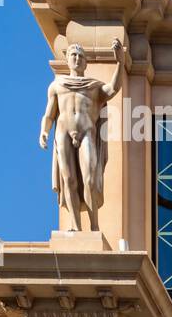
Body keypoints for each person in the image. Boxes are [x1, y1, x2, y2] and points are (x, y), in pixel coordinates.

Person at [38, 40, 125, 231]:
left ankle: (94, 226)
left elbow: (112, 89)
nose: (77, 59)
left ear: (85, 63)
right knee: (68, 179)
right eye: (73, 56)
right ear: (68, 60)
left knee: (90, 179)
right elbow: (49, 114)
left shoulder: (94, 86)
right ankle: (75, 227)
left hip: (87, 133)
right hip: (63, 133)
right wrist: (44, 131)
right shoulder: (57, 85)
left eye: (80, 57)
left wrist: (120, 62)